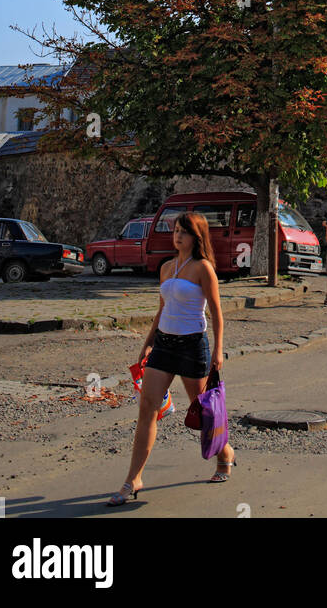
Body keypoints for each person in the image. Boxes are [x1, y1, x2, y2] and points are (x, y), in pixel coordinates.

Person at [107, 211, 235, 505]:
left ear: (196, 236)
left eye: (184, 232)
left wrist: (218, 350)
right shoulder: (166, 268)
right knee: (147, 408)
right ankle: (133, 478)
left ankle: (224, 452)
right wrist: (147, 343)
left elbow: (216, 313)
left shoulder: (203, 268)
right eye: (175, 230)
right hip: (164, 344)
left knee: (201, 411)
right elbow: (162, 309)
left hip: (193, 346)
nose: (177, 236)